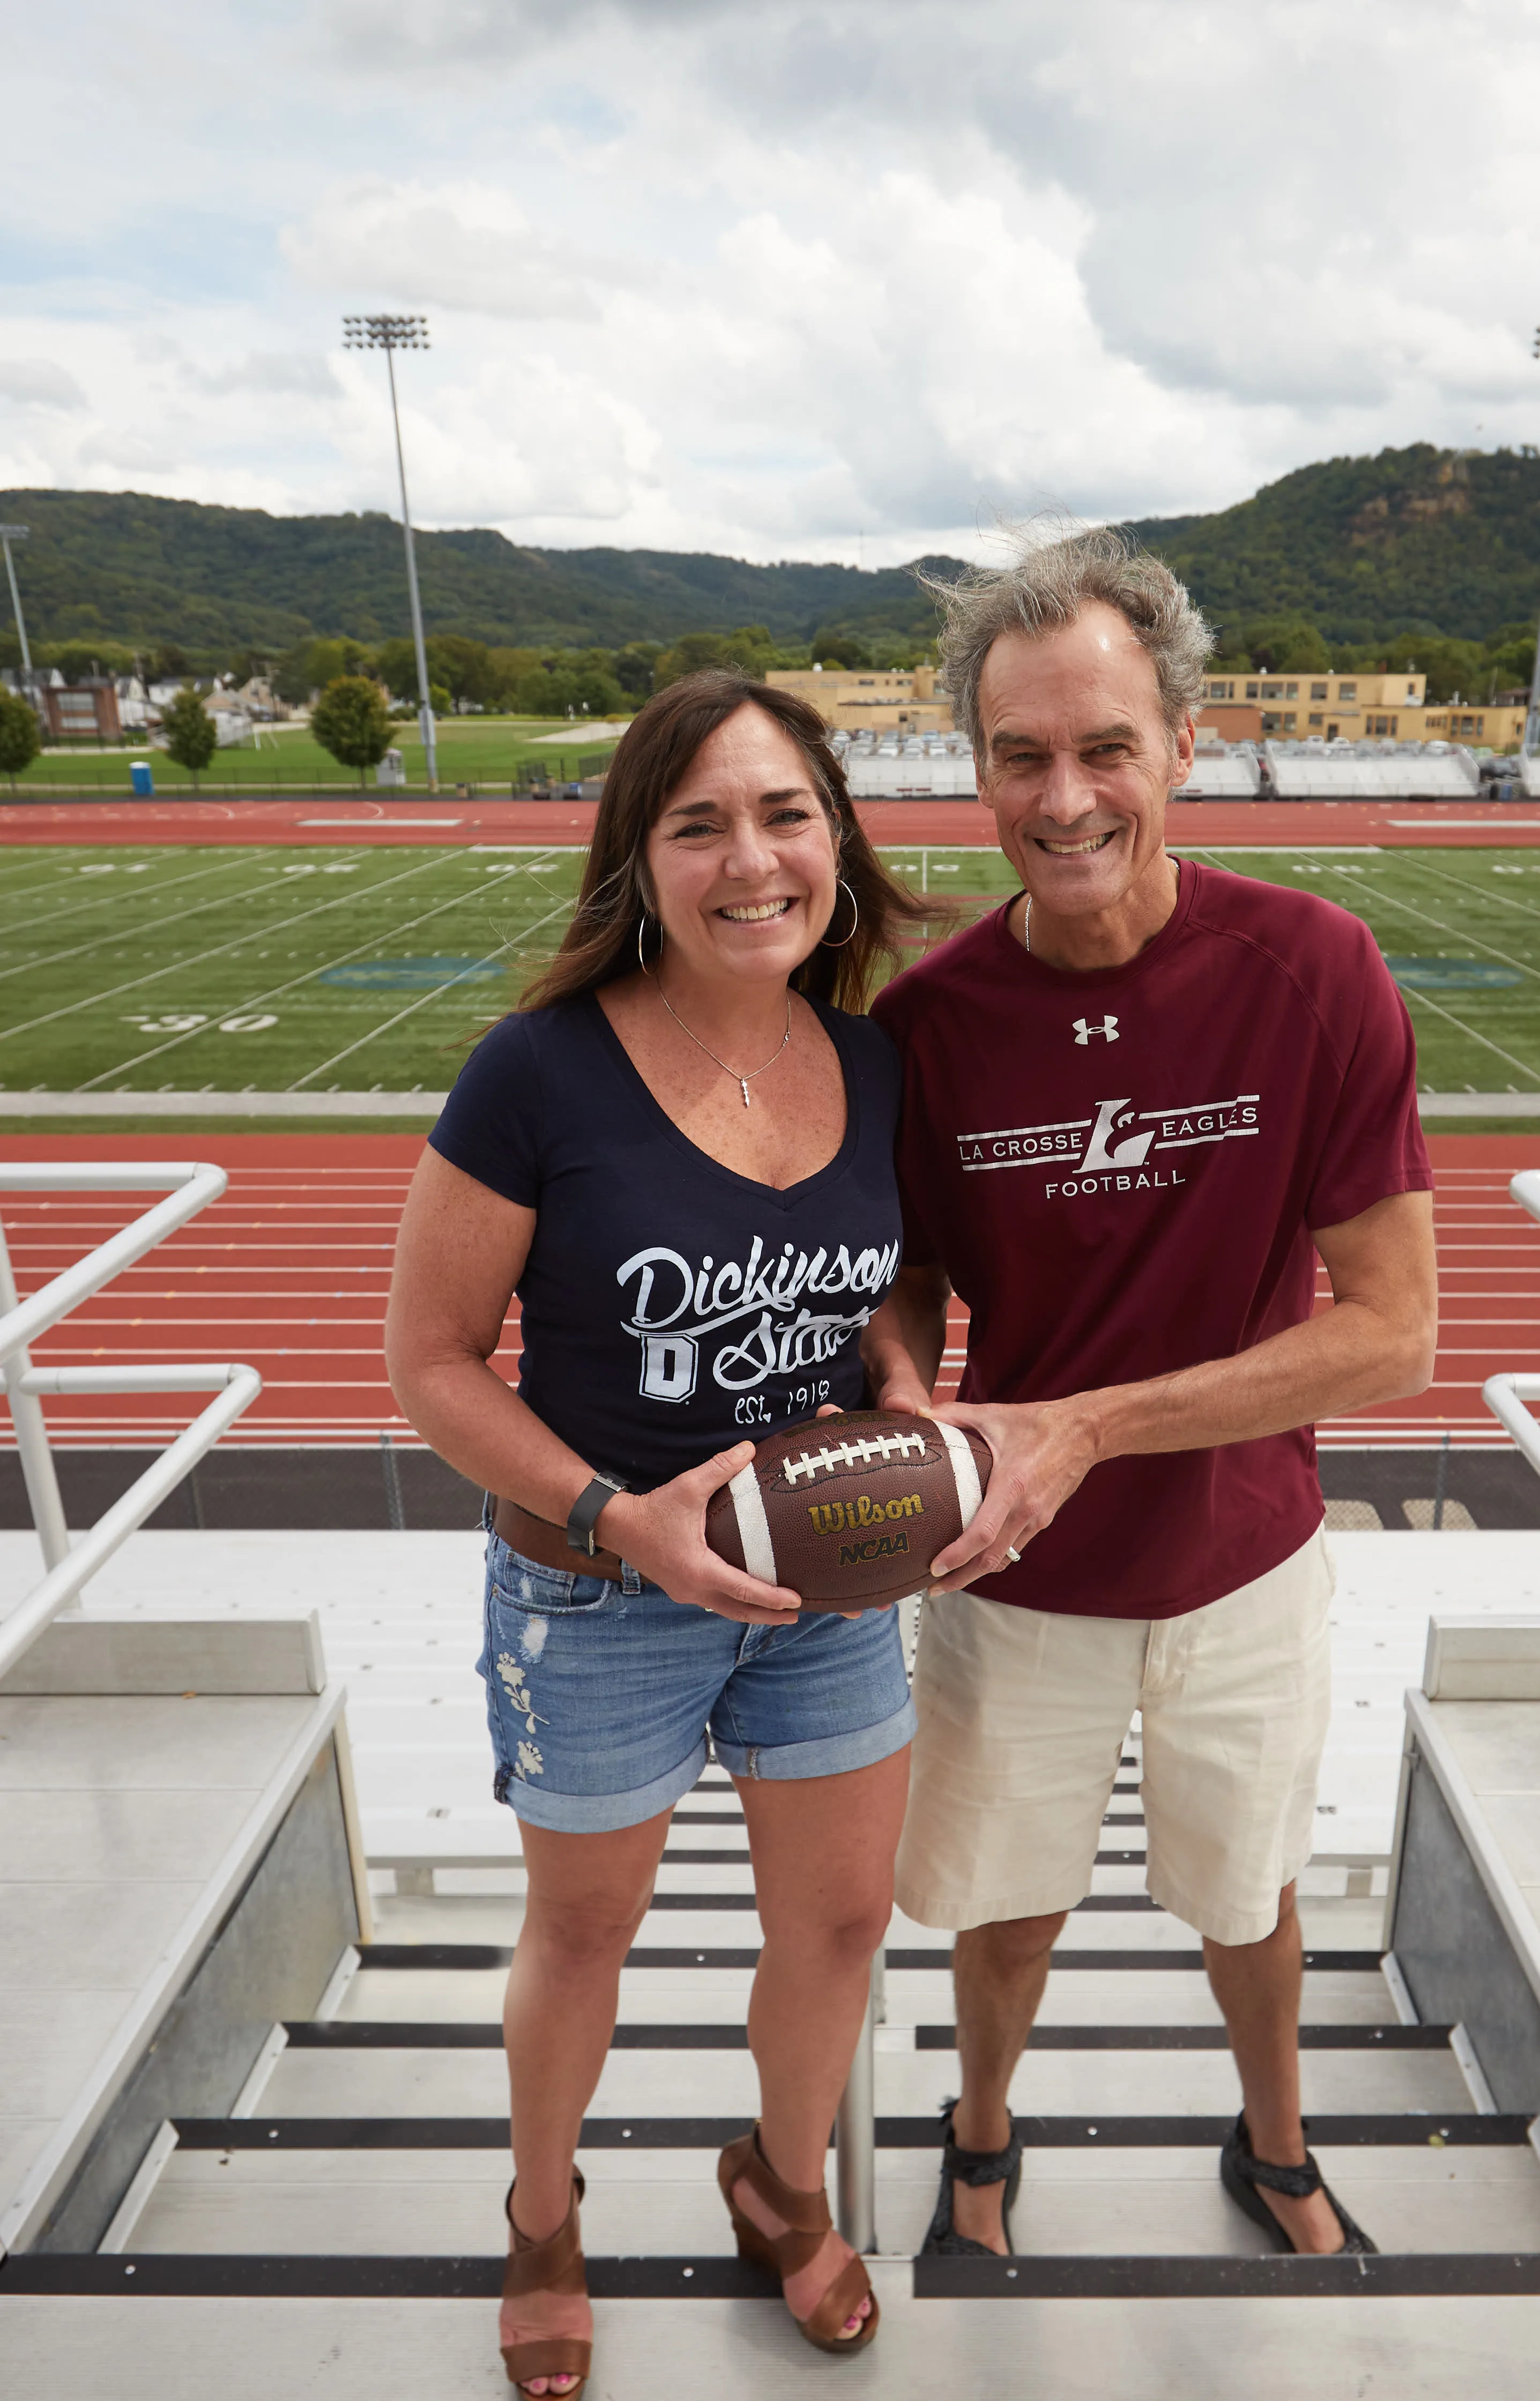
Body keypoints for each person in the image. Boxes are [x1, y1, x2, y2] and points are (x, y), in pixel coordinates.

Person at [861, 529, 1438, 2262]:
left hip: (1243, 1558)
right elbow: (907, 1278)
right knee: (1002, 1898)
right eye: (1021, 753)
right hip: (1010, 1576)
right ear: (974, 769)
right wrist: (903, 1385)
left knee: (1249, 1893)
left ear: (1186, 743)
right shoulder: (931, 1023)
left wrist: (1088, 1423)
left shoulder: (1317, 968)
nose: (1065, 795)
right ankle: (978, 2134)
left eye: (1104, 745)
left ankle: (1273, 2141)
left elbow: (1392, 1332)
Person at [386, 671, 929, 2394]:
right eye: (700, 822)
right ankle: (542, 2214)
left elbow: (890, 1281)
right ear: (640, 857)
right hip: (601, 1592)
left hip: (825, 1584)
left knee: (843, 1922)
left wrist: (910, 1394)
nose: (751, 858)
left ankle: (779, 2182)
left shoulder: (868, 1059)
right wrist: (623, 1515)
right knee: (586, 1932)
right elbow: (427, 1362)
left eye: (784, 814)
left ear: (834, 834)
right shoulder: (536, 1071)